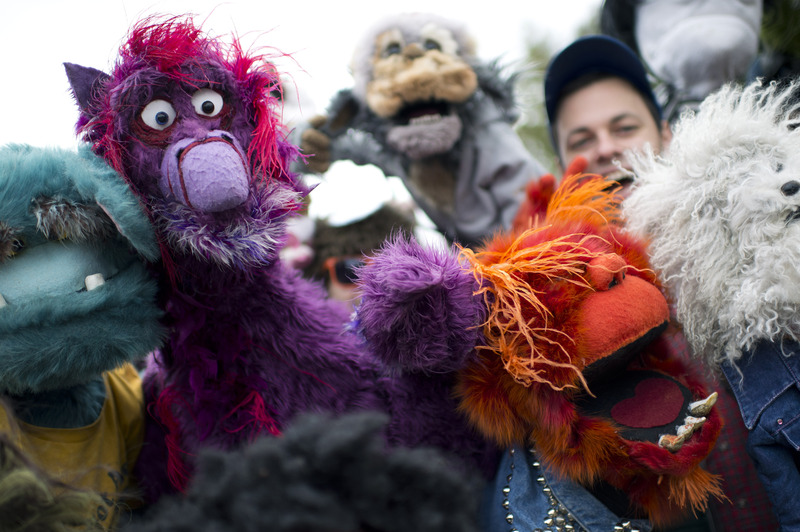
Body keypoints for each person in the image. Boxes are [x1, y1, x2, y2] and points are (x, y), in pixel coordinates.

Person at [523, 34, 779, 532]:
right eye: (581, 140)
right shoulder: (555, 316)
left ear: (666, 134)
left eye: (624, 127)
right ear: (563, 169)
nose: (605, 148)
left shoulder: (762, 234)